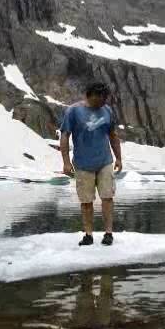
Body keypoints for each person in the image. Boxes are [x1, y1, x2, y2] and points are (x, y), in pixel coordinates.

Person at [59, 82, 122, 246]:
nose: (104, 100)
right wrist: (66, 162)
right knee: (86, 201)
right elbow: (64, 136)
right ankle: (88, 234)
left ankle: (108, 233)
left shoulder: (107, 110)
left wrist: (119, 158)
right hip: (82, 163)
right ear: (92, 95)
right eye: (102, 97)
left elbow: (113, 135)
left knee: (107, 197)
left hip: (104, 161)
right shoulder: (73, 111)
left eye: (106, 97)